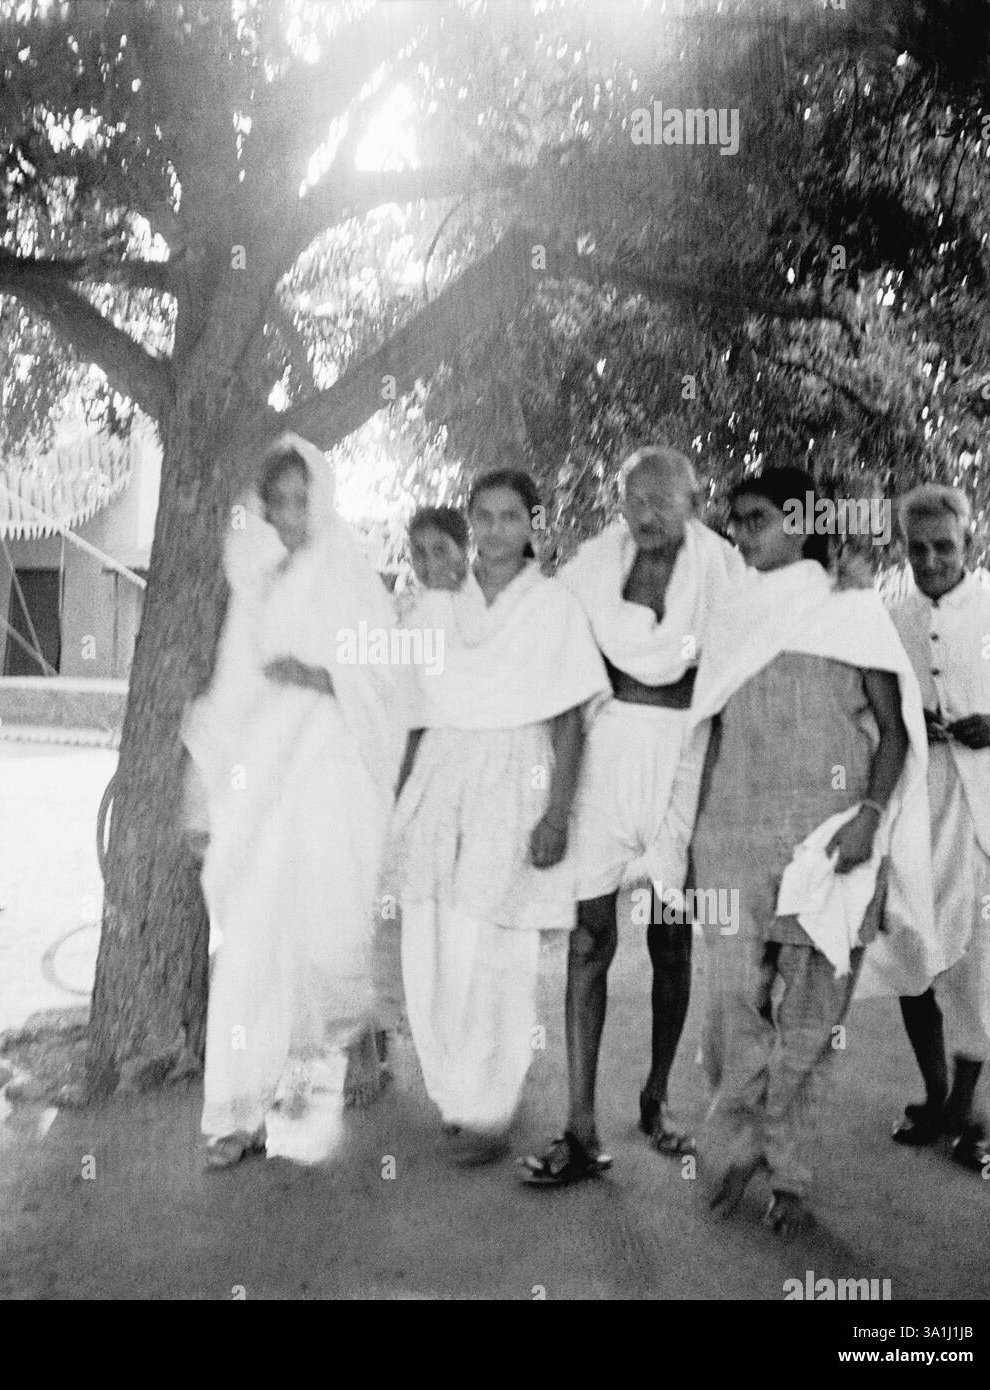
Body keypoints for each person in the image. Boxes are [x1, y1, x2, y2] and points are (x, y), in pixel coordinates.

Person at [685, 468, 934, 1235]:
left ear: (800, 522)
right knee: (730, 1004)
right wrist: (689, 843)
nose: (740, 533)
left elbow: (893, 733)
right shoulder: (730, 611)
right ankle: (740, 1138)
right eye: (734, 521)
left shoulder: (850, 609)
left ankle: (787, 1173)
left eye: (756, 518)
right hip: (732, 836)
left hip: (829, 840)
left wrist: (868, 817)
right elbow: (707, 731)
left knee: (811, 1017)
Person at [520, 447, 745, 1186]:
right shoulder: (591, 567)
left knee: (671, 942)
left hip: (684, 758)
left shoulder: (721, 571)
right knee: (589, 938)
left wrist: (715, 801)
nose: (644, 514)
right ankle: (579, 1127)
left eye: (661, 499)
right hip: (606, 749)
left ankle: (655, 1099)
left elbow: (733, 683)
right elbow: (559, 666)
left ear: (695, 498)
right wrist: (555, 803)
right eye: (631, 498)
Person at [183, 433, 408, 1170]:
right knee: (250, 940)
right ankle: (235, 1116)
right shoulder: (262, 581)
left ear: (322, 496)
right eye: (274, 501)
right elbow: (233, 683)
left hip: (330, 774)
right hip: (264, 780)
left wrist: (318, 675)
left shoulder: (348, 574)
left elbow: (385, 679)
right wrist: (208, 779)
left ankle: (358, 1047)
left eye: (297, 498)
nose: (285, 513)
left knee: (328, 934)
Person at [390, 471, 606, 1165]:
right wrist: (397, 804)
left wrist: (557, 813)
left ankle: (488, 1110)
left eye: (509, 516)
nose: (493, 530)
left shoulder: (552, 606)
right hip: (440, 780)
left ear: (531, 523)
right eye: (481, 516)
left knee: (492, 949)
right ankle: (451, 1093)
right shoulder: (434, 609)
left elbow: (572, 718)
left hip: (517, 779)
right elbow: (405, 716)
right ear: (469, 523)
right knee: (429, 943)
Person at [886, 484, 990, 1171]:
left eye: (944, 546)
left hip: (985, 814)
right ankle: (934, 1093)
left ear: (968, 545)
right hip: (915, 806)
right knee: (914, 957)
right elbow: (871, 716)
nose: (931, 559)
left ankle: (967, 1109)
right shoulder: (891, 617)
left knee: (975, 963)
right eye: (917, 548)